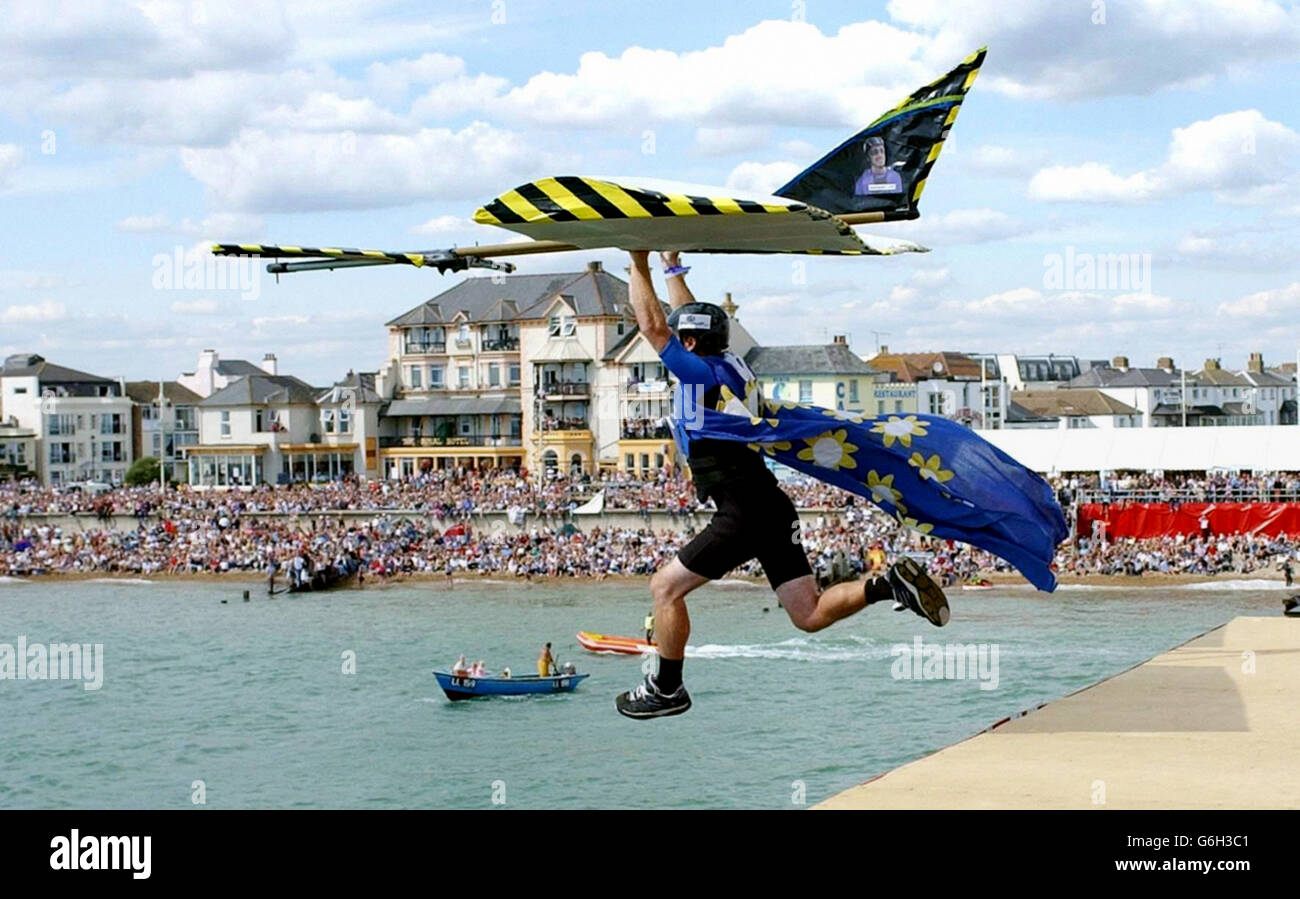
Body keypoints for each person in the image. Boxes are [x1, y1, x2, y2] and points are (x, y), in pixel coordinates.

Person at [614, 250, 950, 720]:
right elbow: (686, 323)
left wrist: (637, 260)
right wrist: (672, 270)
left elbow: (655, 328)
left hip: (744, 509)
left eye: (682, 338)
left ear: (687, 343)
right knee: (808, 615)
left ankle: (667, 688)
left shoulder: (698, 371)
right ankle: (884, 585)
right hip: (770, 504)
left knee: (665, 589)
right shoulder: (729, 364)